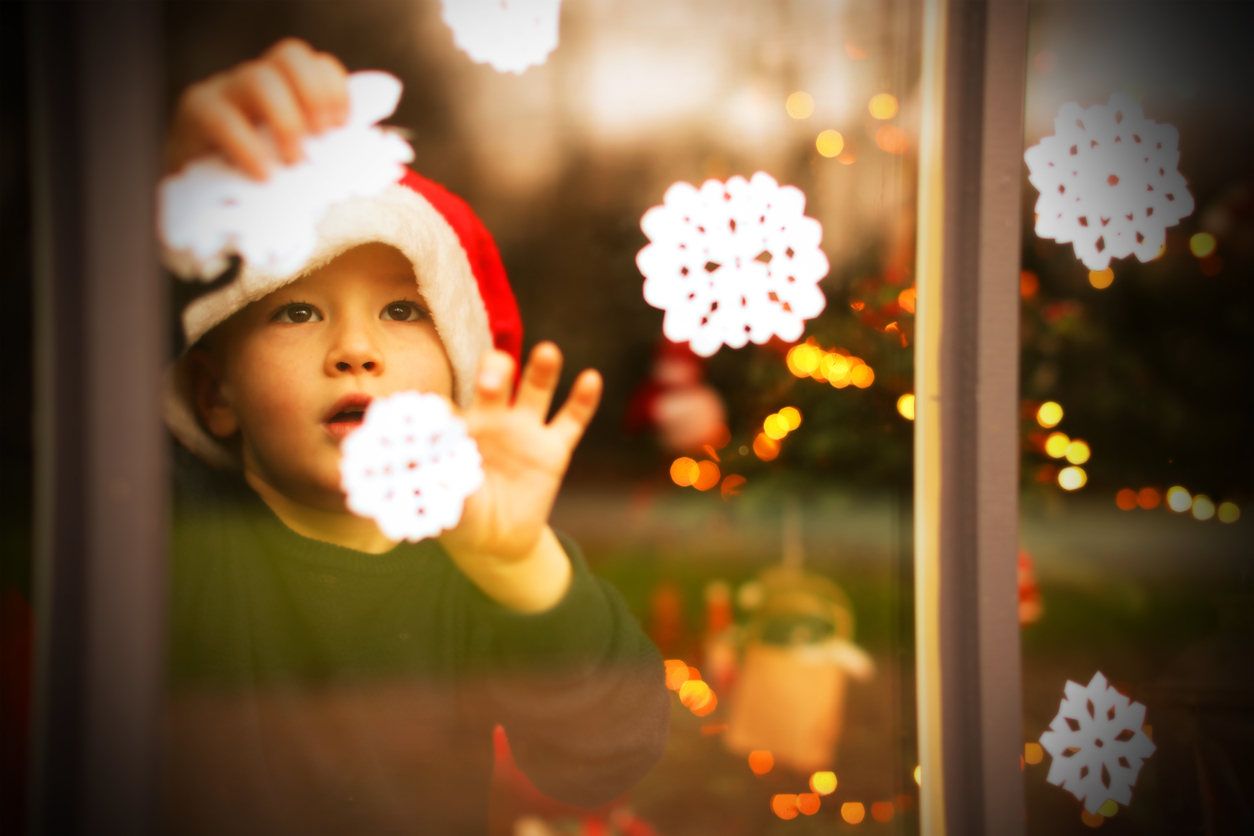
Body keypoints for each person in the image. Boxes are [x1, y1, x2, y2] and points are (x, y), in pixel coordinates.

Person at [161, 39, 669, 835]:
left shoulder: (471, 560)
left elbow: (606, 756)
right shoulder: (168, 531)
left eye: (403, 311)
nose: (355, 349)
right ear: (213, 395)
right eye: (296, 310)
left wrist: (519, 567)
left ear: (464, 381)